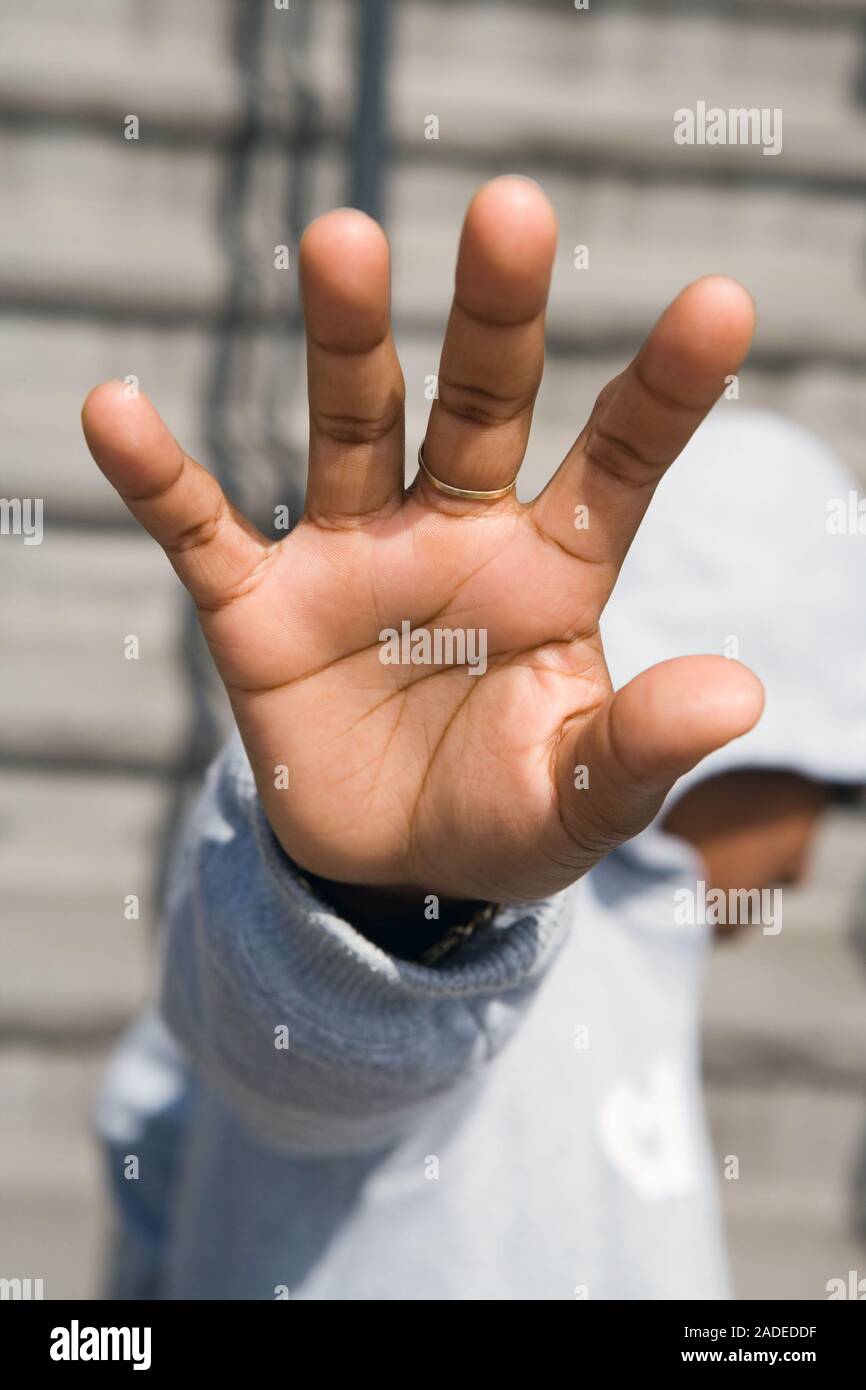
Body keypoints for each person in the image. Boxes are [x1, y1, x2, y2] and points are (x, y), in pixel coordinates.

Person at [85, 178, 866, 1299]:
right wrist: (392, 908)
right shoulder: (509, 919)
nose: (810, 854)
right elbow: (291, 1077)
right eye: (829, 785)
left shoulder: (647, 925)